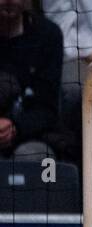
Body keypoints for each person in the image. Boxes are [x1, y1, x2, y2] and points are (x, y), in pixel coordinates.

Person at [0, 0, 63, 161]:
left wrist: (15, 127)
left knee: (36, 156)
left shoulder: (48, 35)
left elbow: (48, 108)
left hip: (31, 136)